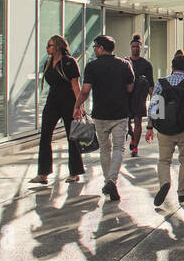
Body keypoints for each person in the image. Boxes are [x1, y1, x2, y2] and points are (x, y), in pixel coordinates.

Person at [74, 35, 134, 202]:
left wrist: (77, 105)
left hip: (100, 113)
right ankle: (111, 181)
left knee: (104, 149)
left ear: (101, 48)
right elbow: (130, 87)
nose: (94, 49)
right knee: (118, 149)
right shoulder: (124, 64)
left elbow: (85, 90)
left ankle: (109, 182)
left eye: (95, 47)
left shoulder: (92, 66)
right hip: (120, 113)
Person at [147, 52, 184, 206]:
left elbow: (153, 107)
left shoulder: (161, 83)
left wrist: (150, 126)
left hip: (164, 129)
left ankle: (165, 182)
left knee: (164, 160)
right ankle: (182, 192)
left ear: (172, 67)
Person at [30, 35, 84, 186]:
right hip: (52, 101)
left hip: (69, 102)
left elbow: (75, 84)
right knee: (45, 135)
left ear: (58, 46)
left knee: (72, 137)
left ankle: (75, 172)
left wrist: (78, 105)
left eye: (50, 45)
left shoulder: (69, 62)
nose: (47, 48)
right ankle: (43, 173)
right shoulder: (48, 62)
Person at [128, 36, 155, 157]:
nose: (135, 49)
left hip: (140, 96)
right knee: (126, 122)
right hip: (127, 96)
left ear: (141, 48)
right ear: (130, 48)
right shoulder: (126, 62)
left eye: (137, 46)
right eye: (133, 46)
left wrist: (153, 97)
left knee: (138, 121)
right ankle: (133, 137)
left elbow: (150, 83)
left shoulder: (146, 64)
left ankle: (135, 146)